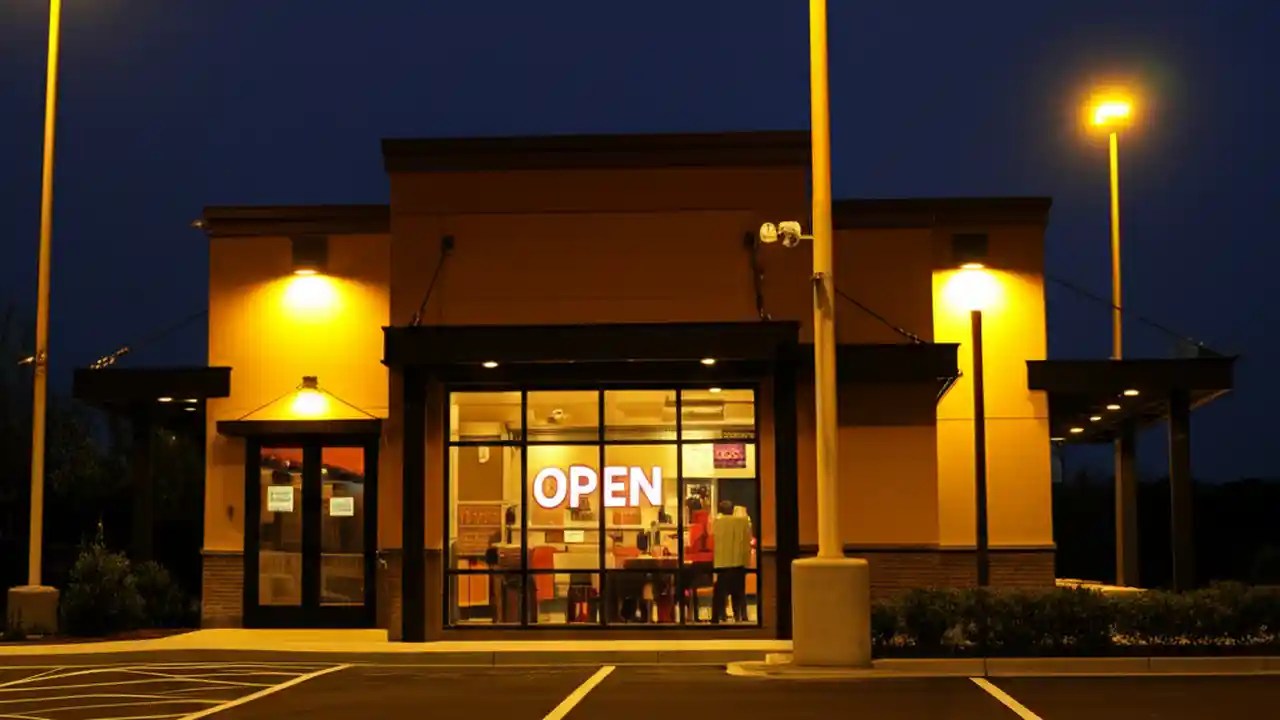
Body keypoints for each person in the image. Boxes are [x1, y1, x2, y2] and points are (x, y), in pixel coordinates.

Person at [710, 500, 751, 623]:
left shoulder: (716, 522)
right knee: (739, 592)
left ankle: (719, 616)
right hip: (738, 563)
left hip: (722, 563)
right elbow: (747, 539)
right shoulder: (742, 522)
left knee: (720, 593)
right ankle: (740, 615)